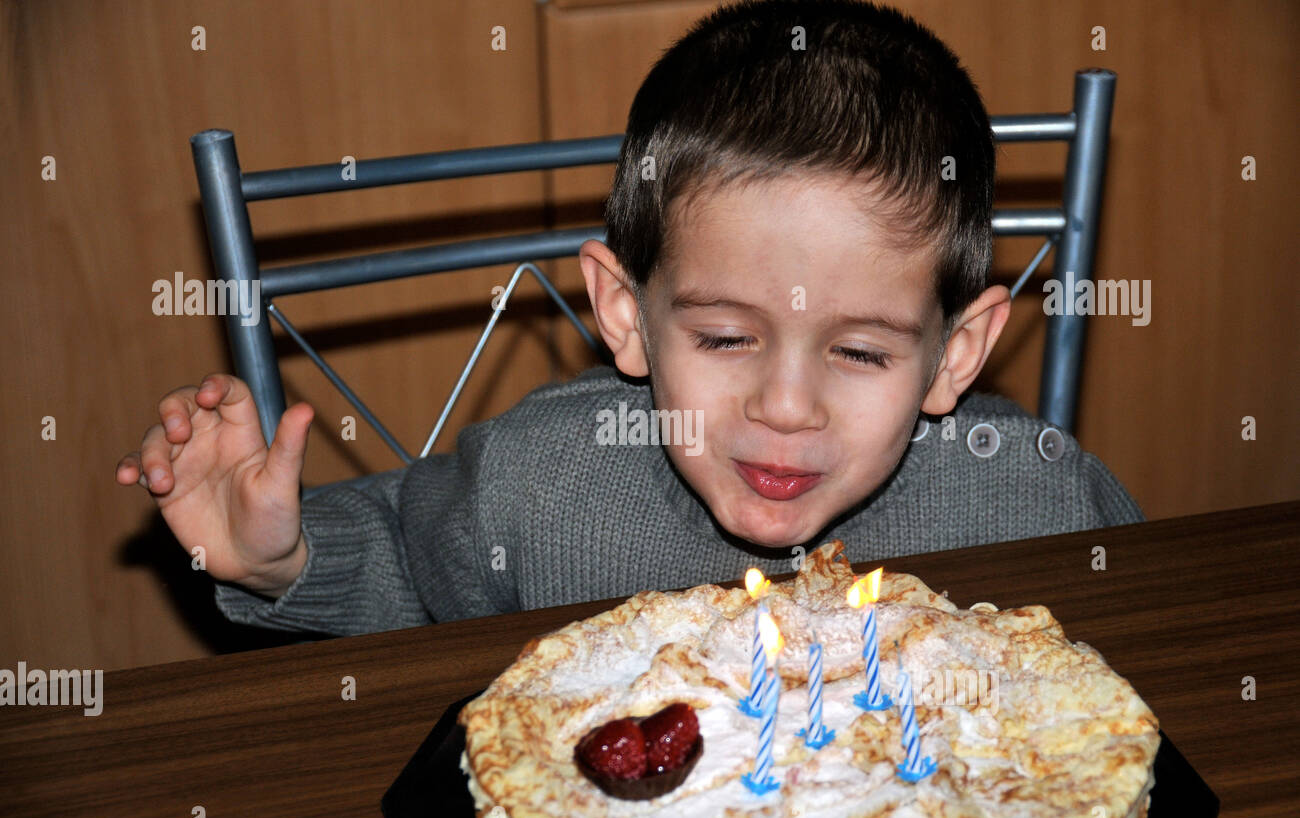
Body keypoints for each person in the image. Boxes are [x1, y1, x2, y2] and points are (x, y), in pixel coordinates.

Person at [115, 0, 1142, 637]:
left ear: (953, 355)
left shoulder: (1032, 497)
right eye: (725, 336)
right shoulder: (538, 486)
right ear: (623, 312)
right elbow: (405, 560)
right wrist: (278, 557)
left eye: (863, 350)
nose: (785, 406)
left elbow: (1155, 627)